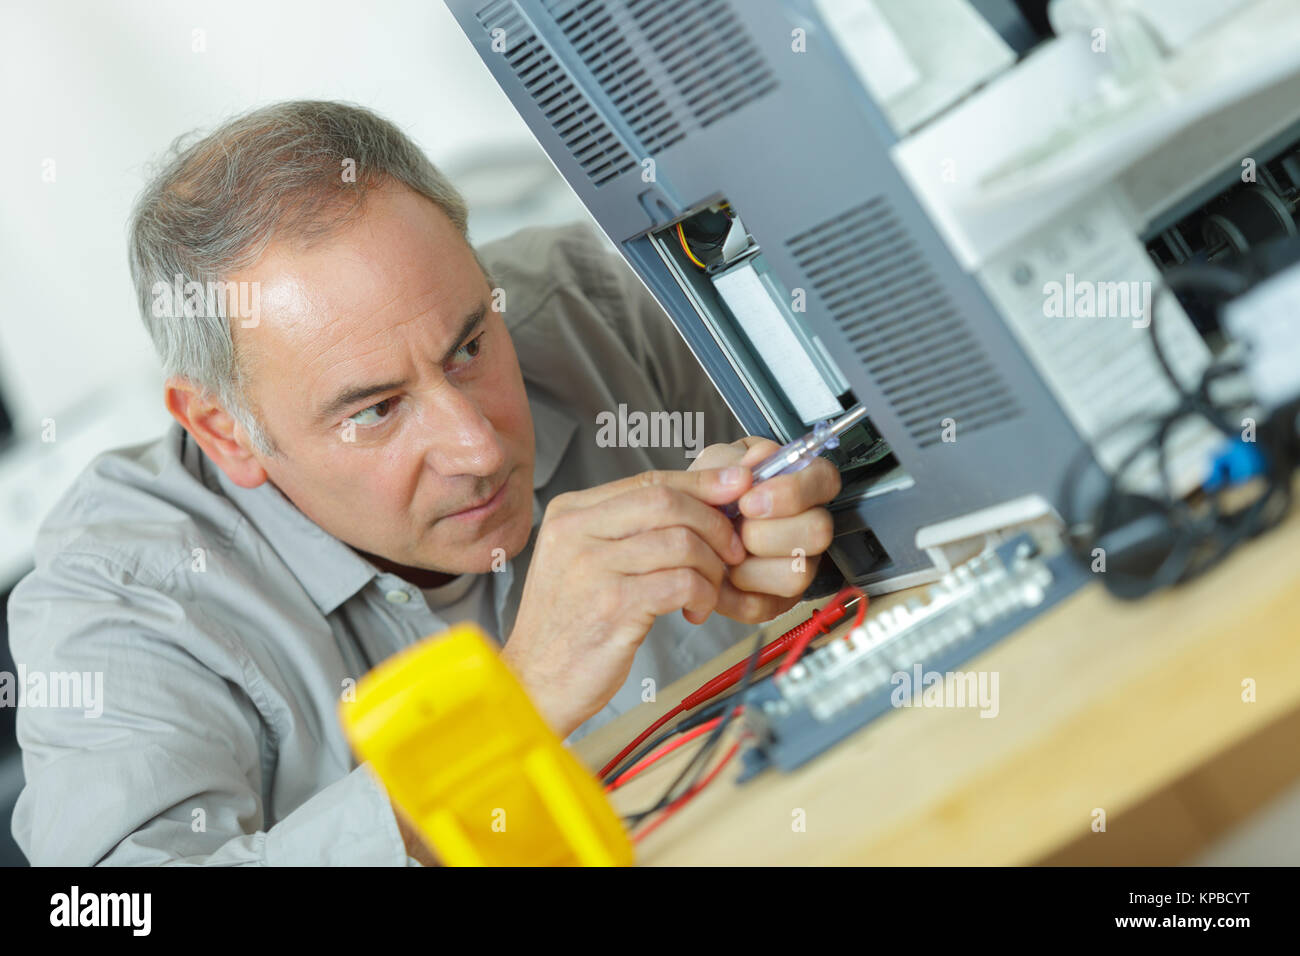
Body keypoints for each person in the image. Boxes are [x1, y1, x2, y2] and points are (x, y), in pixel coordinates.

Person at [7, 101, 841, 865]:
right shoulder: (118, 596)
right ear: (226, 431)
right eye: (373, 411)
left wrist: (804, 518)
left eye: (470, 347)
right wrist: (513, 702)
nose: (477, 448)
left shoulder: (599, 303)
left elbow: (891, 481)